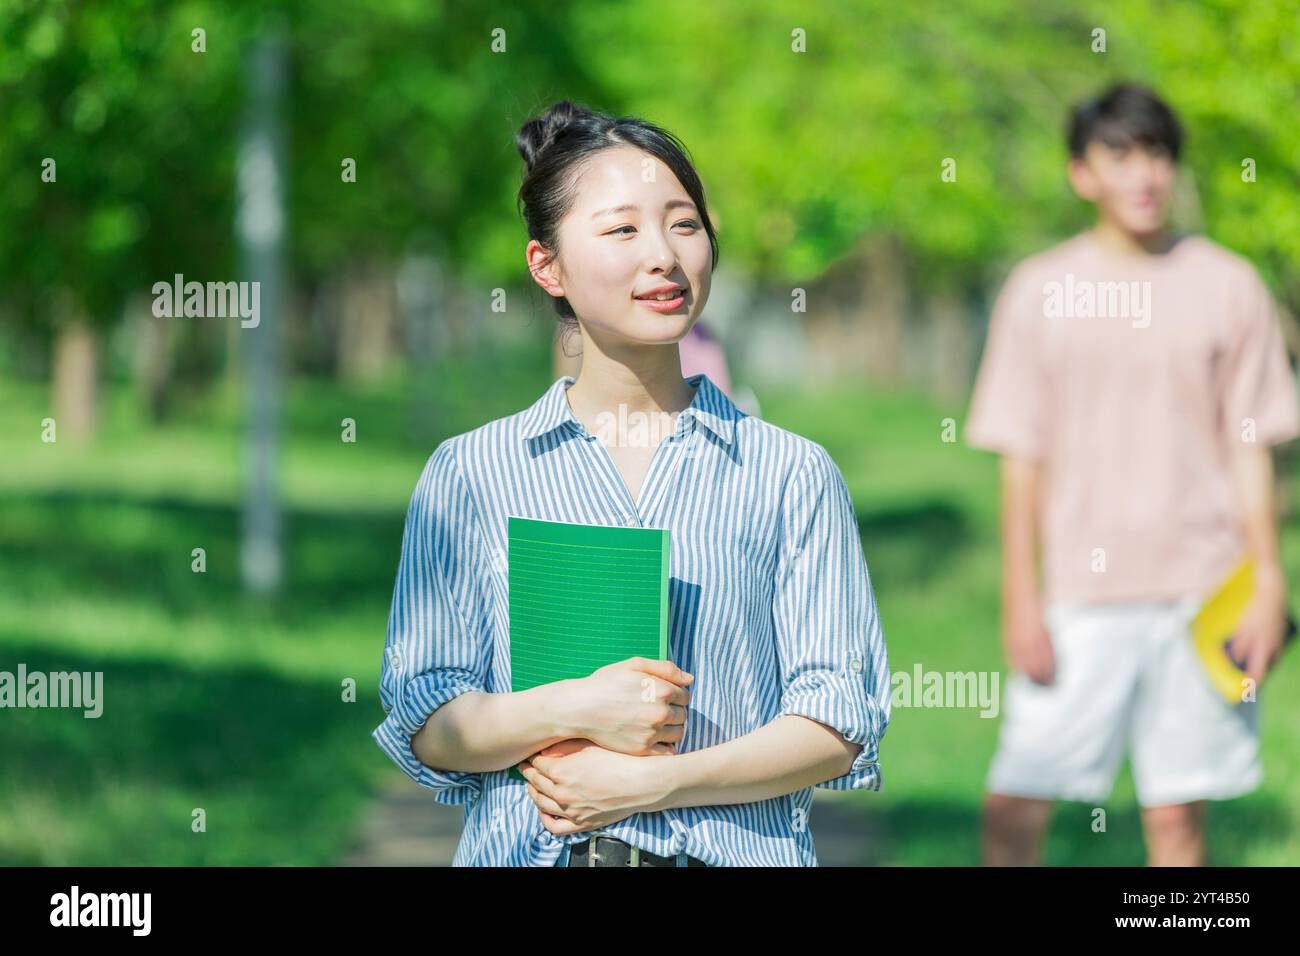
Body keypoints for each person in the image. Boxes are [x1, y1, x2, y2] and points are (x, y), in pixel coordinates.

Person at [372, 101, 891, 866]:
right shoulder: (472, 473)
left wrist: (650, 785)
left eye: (684, 225)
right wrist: (578, 707)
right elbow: (430, 722)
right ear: (547, 265)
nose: (664, 255)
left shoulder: (791, 474)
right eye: (622, 230)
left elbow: (837, 722)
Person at [966, 83, 1300, 866]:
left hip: (1203, 590)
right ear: (1082, 174)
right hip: (1080, 597)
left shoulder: (1229, 285)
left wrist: (1269, 581)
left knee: (1178, 818)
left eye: (1157, 154)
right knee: (1014, 804)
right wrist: (1021, 596)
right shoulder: (1038, 291)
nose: (1145, 174)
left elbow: (1251, 445)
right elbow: (1022, 459)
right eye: (1121, 155)